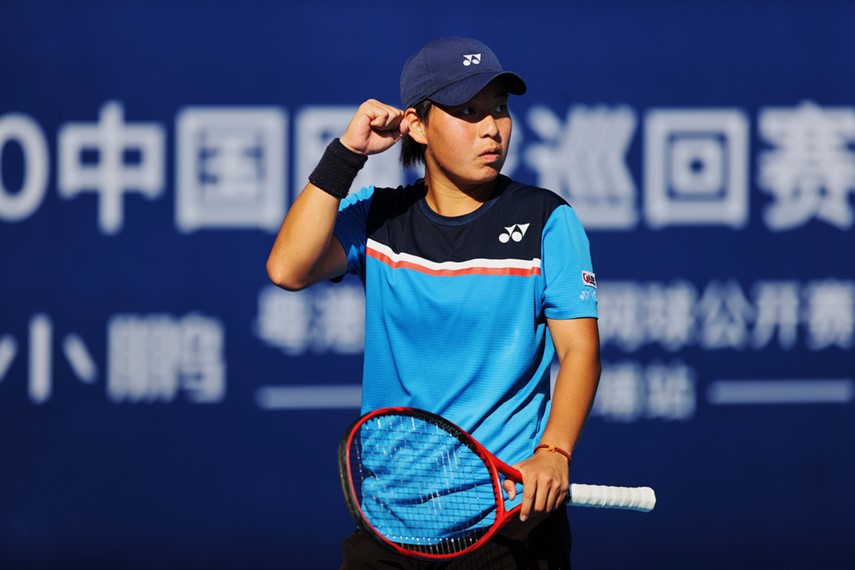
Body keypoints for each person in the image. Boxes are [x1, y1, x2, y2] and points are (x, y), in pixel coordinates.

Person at [267, 36, 601, 569]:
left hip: (510, 523)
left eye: (499, 109)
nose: (491, 128)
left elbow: (580, 350)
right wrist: (347, 155)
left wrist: (554, 452)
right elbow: (287, 269)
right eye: (467, 111)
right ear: (417, 126)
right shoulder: (376, 218)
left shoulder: (547, 219)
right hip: (388, 525)